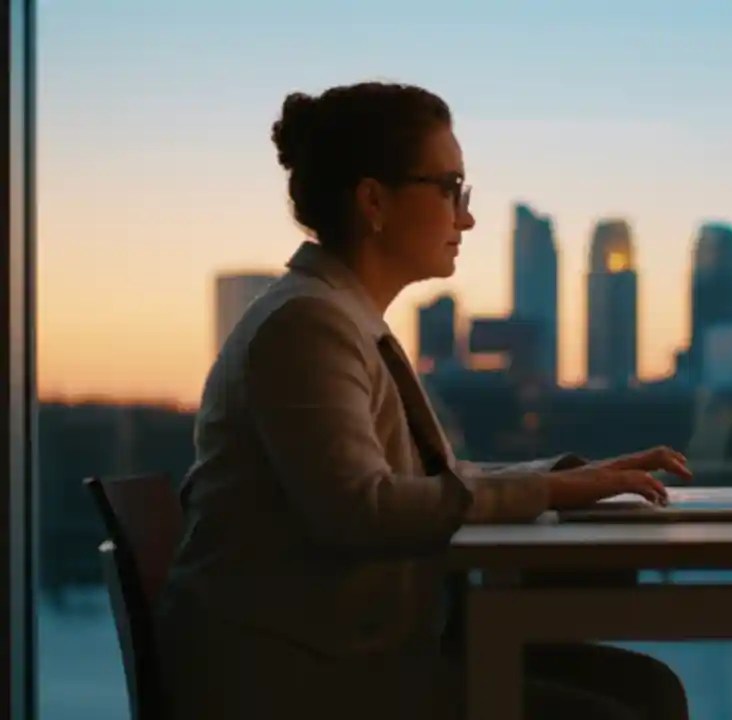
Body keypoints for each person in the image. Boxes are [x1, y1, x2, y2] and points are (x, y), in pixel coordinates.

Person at [156, 81, 691, 720]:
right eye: (449, 189)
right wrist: (550, 493)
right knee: (630, 707)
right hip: (300, 681)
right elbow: (364, 508)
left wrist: (575, 477)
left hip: (342, 652)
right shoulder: (307, 327)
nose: (464, 217)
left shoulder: (340, 316)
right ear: (374, 200)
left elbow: (418, 484)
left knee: (648, 692)